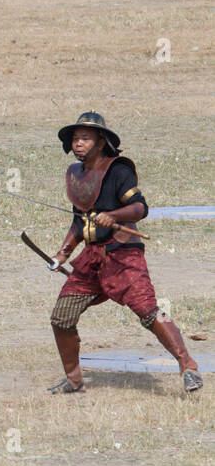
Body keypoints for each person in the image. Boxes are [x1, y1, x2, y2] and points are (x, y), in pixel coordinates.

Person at [46, 113, 201, 395]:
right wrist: (63, 254)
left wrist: (114, 215)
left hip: (123, 255)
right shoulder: (77, 175)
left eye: (85, 139)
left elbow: (140, 208)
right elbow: (79, 222)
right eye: (75, 139)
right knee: (61, 317)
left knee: (148, 311)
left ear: (101, 142)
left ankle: (187, 365)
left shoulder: (118, 171)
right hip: (91, 259)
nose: (78, 144)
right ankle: (74, 379)